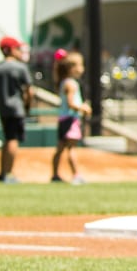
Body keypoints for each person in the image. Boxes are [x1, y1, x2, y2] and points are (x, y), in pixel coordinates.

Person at [0, 37, 33, 184]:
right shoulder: (20, 68)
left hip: (2, 109)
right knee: (13, 140)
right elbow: (29, 91)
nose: (20, 52)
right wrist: (27, 106)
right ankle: (8, 173)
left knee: (7, 139)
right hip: (16, 108)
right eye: (18, 49)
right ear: (11, 50)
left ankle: (2, 173)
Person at [52, 50, 90, 185]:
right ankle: (76, 175)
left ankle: (55, 175)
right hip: (70, 120)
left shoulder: (64, 82)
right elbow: (71, 103)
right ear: (71, 68)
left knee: (60, 149)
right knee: (71, 149)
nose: (82, 68)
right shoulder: (71, 84)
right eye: (80, 65)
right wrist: (83, 108)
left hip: (63, 119)